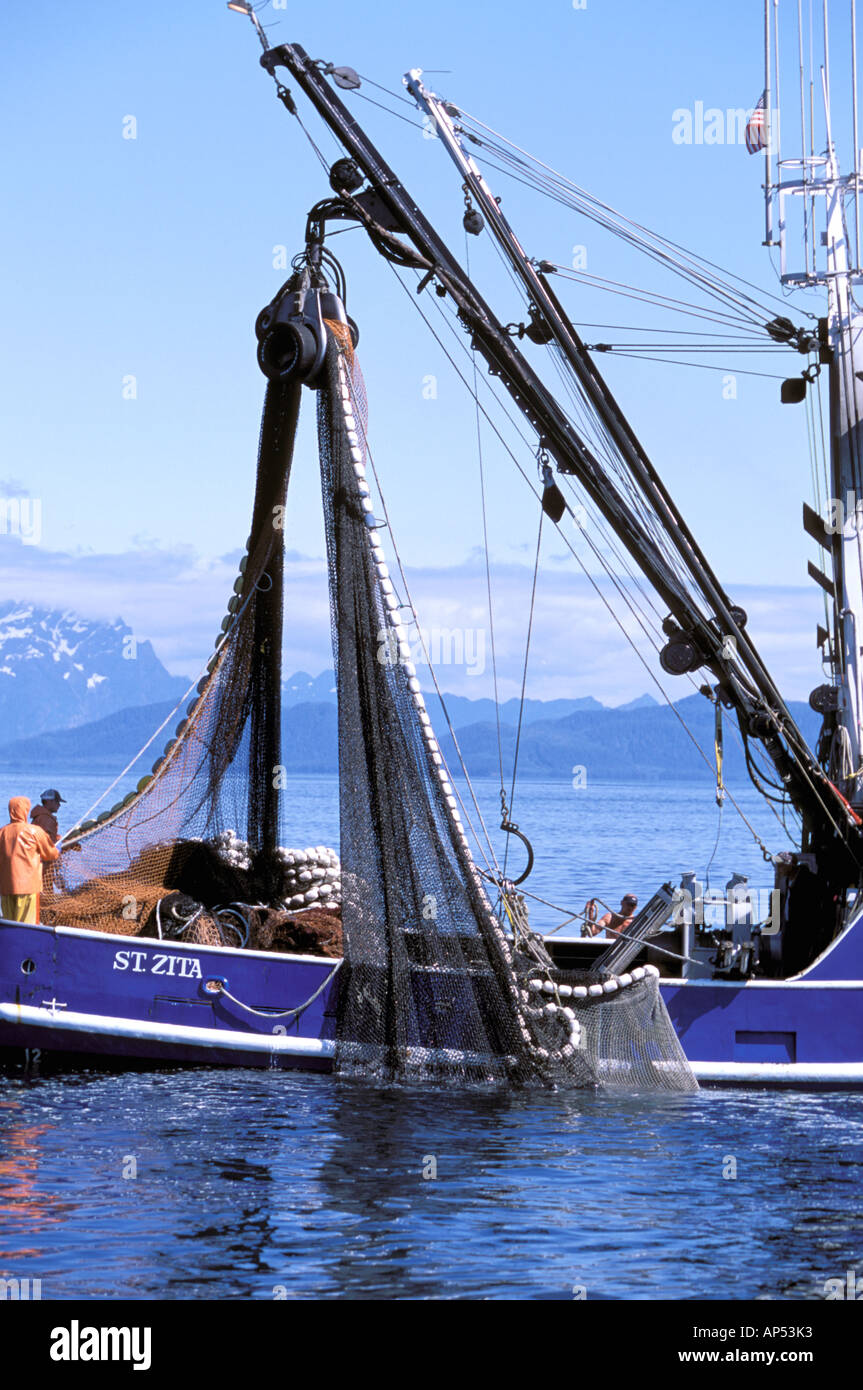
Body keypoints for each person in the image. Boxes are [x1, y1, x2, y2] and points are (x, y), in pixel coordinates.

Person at [0, 796, 60, 924]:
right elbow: (51, 854)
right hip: (28, 887)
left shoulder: (2, 832)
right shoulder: (34, 831)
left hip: (5, 888)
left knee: (9, 923)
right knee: (28, 924)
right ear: (26, 810)